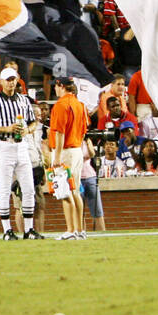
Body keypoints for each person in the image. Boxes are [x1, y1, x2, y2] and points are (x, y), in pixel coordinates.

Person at [0, 65, 43, 240]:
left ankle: (28, 230)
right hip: (3, 144)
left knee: (29, 188)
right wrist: (6, 128)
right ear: (1, 82)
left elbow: (33, 123)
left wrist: (27, 131)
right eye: (8, 80)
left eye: (13, 79)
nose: (11, 83)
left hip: (21, 145)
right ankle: (7, 230)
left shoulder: (24, 100)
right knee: (5, 189)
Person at [49, 75, 89, 240]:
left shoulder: (61, 104)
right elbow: (84, 130)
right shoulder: (80, 105)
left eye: (56, 86)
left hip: (64, 151)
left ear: (61, 86)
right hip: (77, 150)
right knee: (75, 191)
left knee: (65, 192)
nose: (54, 89)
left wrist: (57, 155)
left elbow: (60, 132)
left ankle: (71, 230)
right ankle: (79, 230)